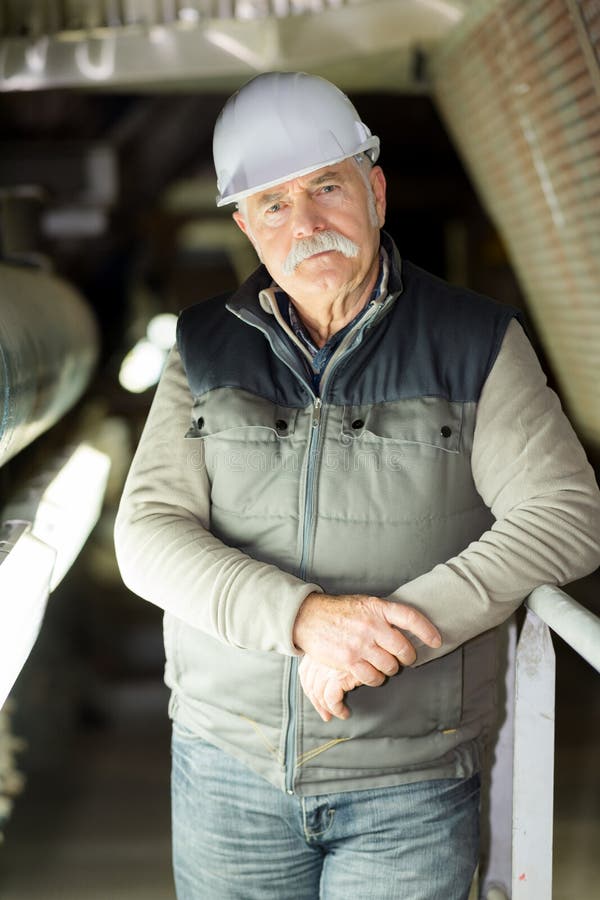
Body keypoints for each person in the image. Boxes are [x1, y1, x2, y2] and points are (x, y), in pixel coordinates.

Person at [114, 72, 600, 900]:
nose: (305, 223)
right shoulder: (202, 349)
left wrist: (392, 632)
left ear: (374, 192)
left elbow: (564, 515)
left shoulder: (475, 341)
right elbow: (147, 532)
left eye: (327, 188)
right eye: (273, 204)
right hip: (226, 766)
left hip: (410, 782)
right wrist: (306, 621)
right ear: (246, 226)